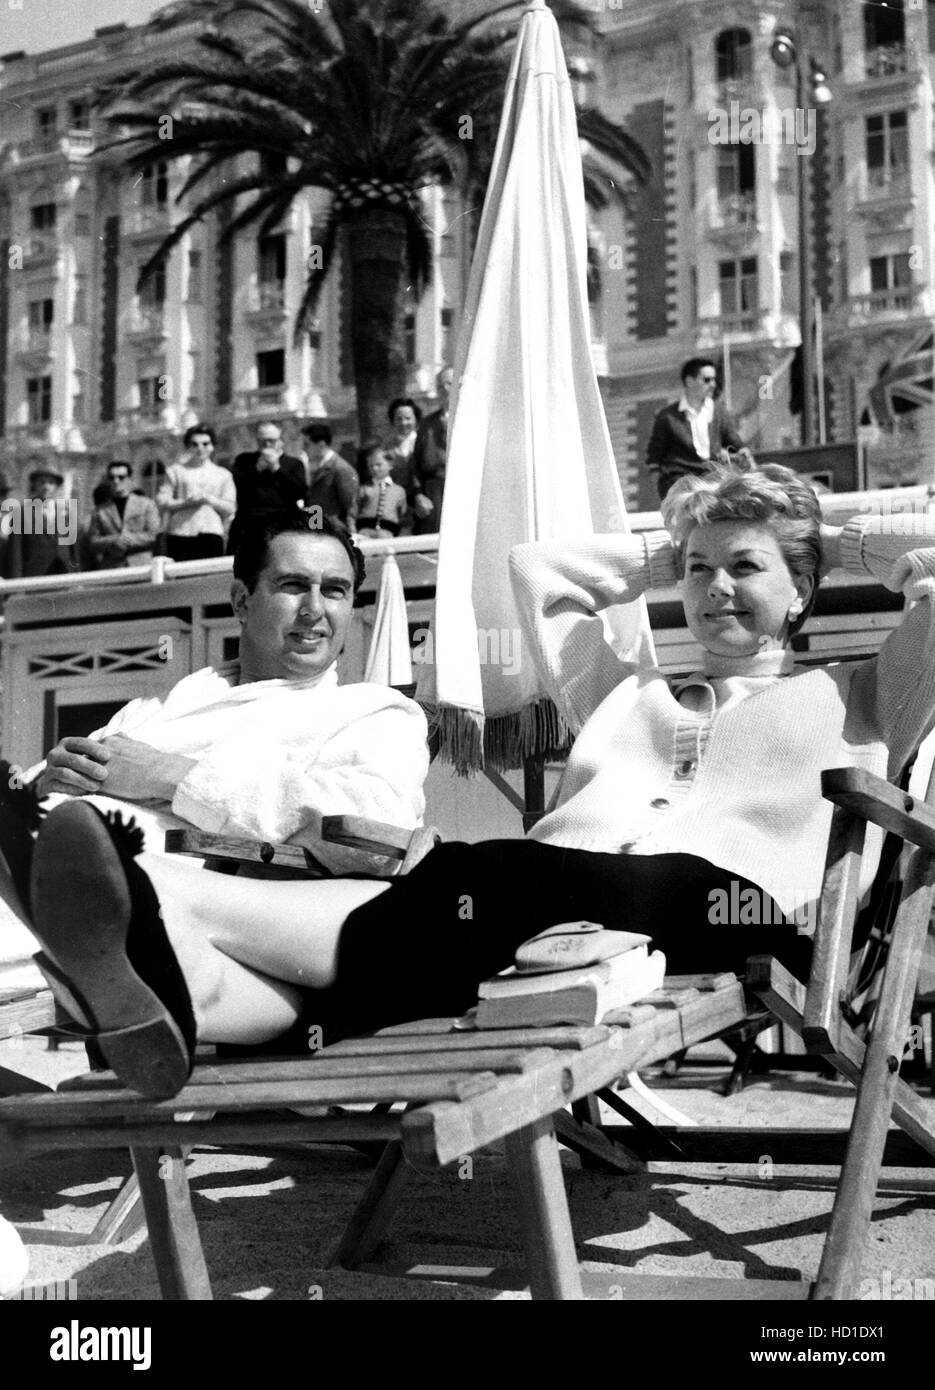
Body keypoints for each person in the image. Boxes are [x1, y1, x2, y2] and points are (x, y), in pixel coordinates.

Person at [16, 459, 935, 1098]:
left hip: (735, 916)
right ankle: (188, 975)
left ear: (801, 589)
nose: (714, 588)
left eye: (746, 570)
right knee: (468, 893)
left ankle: (161, 907)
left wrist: (814, 537)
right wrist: (688, 538)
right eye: (696, 572)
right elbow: (536, 571)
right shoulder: (627, 691)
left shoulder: (863, 691)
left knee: (485, 875)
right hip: (551, 922)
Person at [30, 511, 428, 865]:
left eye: (335, 590)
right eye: (293, 585)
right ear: (241, 602)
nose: (314, 609)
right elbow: (50, 780)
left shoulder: (375, 714)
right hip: (42, 858)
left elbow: (373, 833)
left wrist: (170, 776)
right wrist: (47, 783)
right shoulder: (164, 706)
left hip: (164, 903)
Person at [646, 357, 747, 501]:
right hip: (680, 484)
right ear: (689, 381)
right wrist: (666, 494)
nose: (713, 385)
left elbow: (736, 444)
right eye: (706, 380)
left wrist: (745, 458)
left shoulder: (719, 412)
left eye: (714, 380)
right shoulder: (667, 416)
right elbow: (654, 458)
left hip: (712, 481)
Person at [158, 424, 236, 561]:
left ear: (212, 446)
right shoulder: (175, 471)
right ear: (188, 447)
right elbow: (162, 500)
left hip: (211, 532)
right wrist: (187, 502)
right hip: (181, 533)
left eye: (205, 444)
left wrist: (209, 500)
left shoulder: (223, 474)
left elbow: (230, 507)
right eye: (195, 444)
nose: (200, 448)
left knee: (210, 578)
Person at [229, 422, 307, 554]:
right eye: (262, 441)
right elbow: (236, 487)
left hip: (283, 522)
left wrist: (277, 469)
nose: (267, 445)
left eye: (271, 441)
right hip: (250, 521)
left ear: (280, 440)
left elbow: (300, 493)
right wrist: (256, 469)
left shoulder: (294, 464)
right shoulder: (244, 461)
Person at [84, 462, 161, 570]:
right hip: (112, 568)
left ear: (130, 479)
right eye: (112, 478)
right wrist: (114, 540)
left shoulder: (146, 504)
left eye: (121, 477)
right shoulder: (100, 511)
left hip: (142, 566)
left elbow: (153, 534)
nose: (116, 481)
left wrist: (128, 539)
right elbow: (93, 542)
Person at [8, 466, 75, 577]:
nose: (46, 486)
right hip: (34, 578)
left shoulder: (66, 512)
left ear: (56, 487)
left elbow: (73, 551)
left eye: (51, 483)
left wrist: (76, 579)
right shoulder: (21, 512)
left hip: (63, 577)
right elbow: (15, 554)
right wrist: (16, 588)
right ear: (35, 484)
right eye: (42, 482)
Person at [410, 366, 453, 534]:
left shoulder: (473, 418)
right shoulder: (427, 423)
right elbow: (415, 466)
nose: (445, 389)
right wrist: (418, 495)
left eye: (449, 384)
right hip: (434, 494)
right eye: (441, 386)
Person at [302, 421, 359, 533]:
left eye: (307, 444)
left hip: (336, 531)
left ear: (321, 445)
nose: (304, 449)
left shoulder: (341, 468)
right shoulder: (317, 467)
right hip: (319, 530)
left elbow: (351, 506)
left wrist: (350, 533)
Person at [355, 443, 408, 538]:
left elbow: (402, 516)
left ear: (390, 465)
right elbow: (353, 512)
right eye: (371, 466)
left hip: (387, 533)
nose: (374, 468)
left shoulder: (399, 491)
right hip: (365, 532)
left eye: (378, 465)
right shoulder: (364, 488)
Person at [384, 397, 422, 522]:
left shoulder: (422, 442)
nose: (403, 423)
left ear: (416, 420)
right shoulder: (387, 445)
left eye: (408, 418)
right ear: (392, 421)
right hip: (398, 503)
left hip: (421, 499)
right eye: (398, 419)